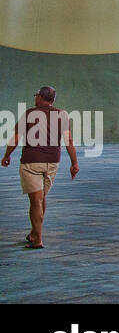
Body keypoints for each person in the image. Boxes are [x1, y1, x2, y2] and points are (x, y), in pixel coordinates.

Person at [1, 86, 78, 249]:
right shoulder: (62, 115)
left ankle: (38, 240)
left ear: (41, 98)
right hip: (52, 163)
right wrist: (74, 163)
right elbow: (69, 141)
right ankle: (34, 233)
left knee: (36, 201)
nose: (35, 98)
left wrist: (7, 155)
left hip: (31, 162)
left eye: (36, 96)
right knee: (40, 199)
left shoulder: (29, 114)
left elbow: (16, 138)